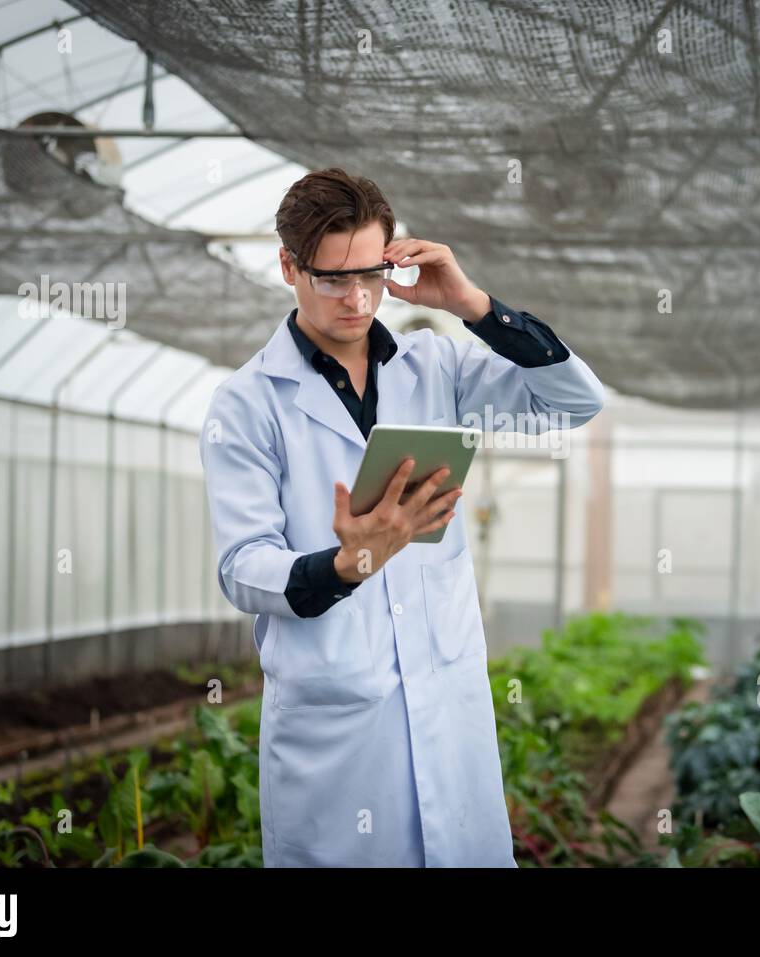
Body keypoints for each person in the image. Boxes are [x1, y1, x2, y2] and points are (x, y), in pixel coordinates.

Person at [199, 168, 606, 866]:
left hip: (447, 709)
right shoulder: (248, 404)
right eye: (332, 278)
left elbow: (572, 402)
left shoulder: (436, 367)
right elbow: (243, 568)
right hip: (341, 731)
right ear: (289, 267)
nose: (357, 298)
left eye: (373, 274)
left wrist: (473, 304)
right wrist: (344, 564)